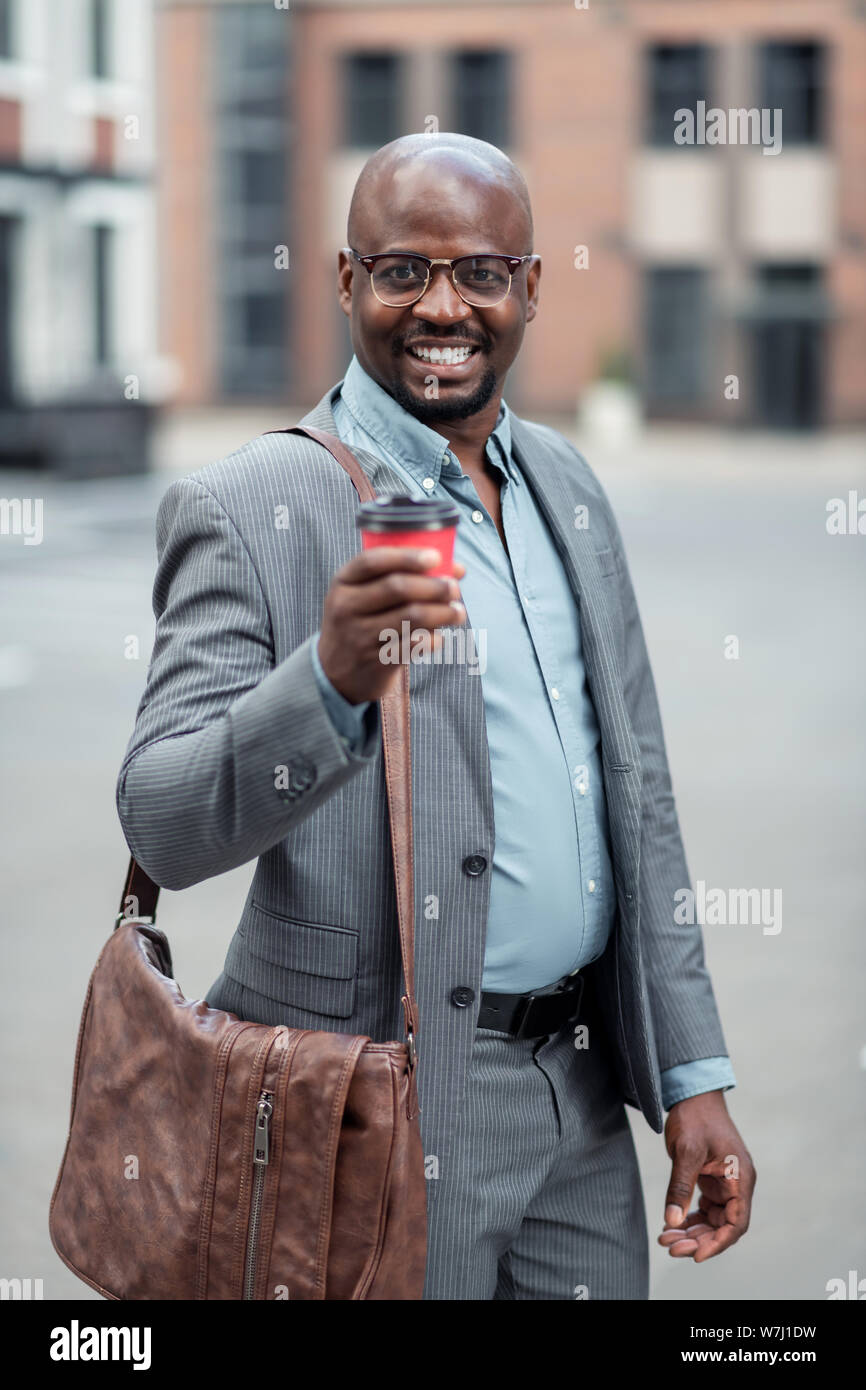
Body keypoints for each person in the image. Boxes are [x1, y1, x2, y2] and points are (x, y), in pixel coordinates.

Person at [117, 132, 755, 1300]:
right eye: (403, 270)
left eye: (478, 272)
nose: (442, 306)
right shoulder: (253, 503)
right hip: (374, 1110)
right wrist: (327, 683)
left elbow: (640, 800)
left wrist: (691, 1073)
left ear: (527, 288)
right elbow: (161, 822)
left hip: (579, 1102)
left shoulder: (564, 485)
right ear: (346, 280)